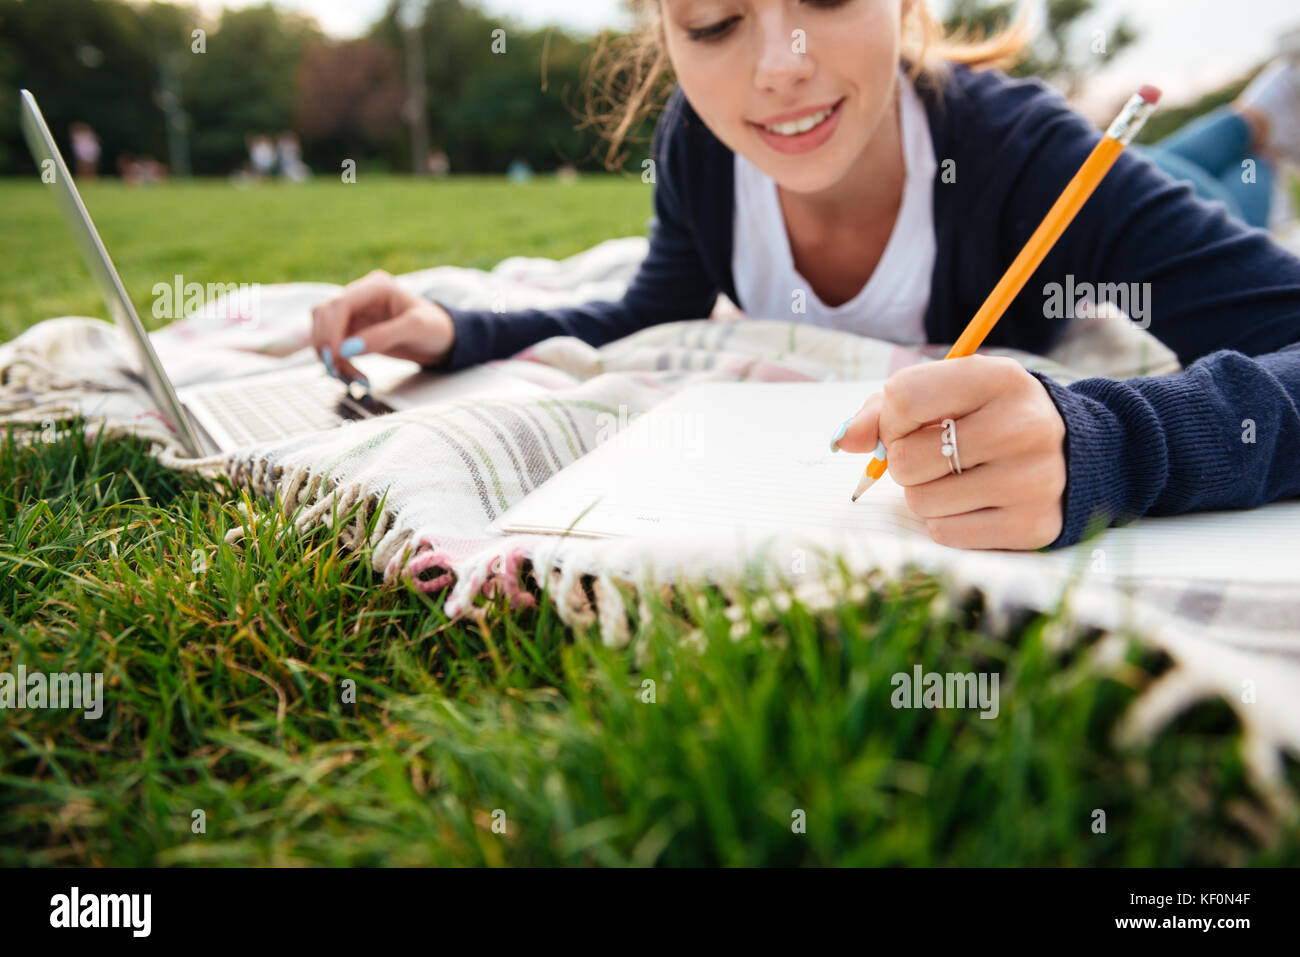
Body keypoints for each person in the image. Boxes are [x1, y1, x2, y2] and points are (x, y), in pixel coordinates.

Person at [309, 1, 1300, 553]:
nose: (779, 68)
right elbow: (644, 310)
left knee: (1219, 176)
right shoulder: (698, 151)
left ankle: (1261, 121)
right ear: (664, 30)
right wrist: (456, 329)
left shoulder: (1032, 158)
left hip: (1127, 179)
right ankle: (1261, 115)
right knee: (1217, 153)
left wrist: (1112, 444)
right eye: (713, 22)